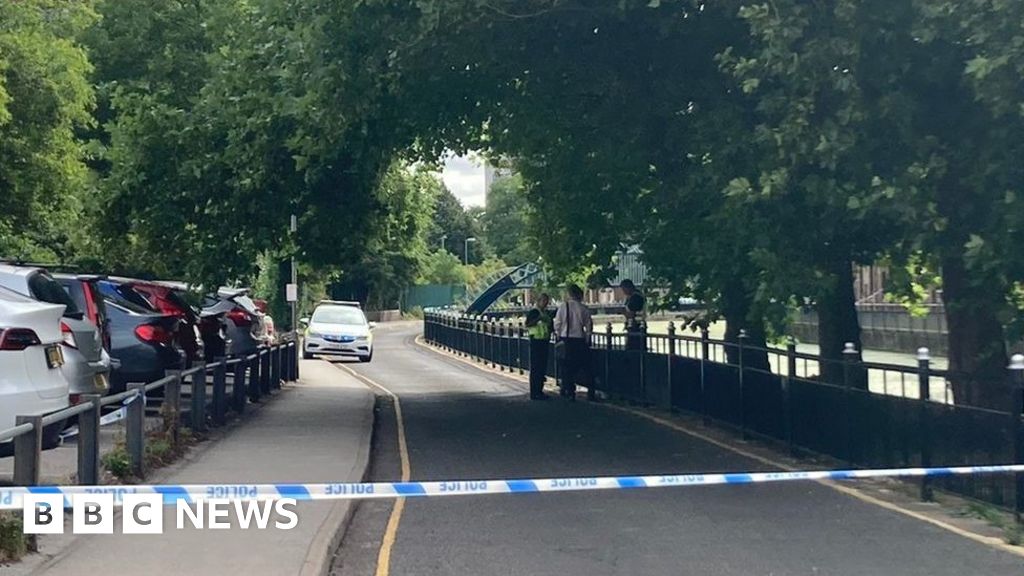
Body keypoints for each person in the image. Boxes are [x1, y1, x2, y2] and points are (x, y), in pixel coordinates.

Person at [554, 284, 593, 400]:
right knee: (583, 365)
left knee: (566, 366)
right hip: (579, 339)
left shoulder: (563, 307)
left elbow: (557, 324)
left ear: (569, 294)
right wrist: (587, 337)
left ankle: (568, 389)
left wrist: (559, 334)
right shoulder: (583, 308)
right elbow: (589, 325)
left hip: (565, 339)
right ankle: (590, 391)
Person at [524, 293, 554, 400]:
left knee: (542, 367)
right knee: (536, 367)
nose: (546, 303)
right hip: (536, 341)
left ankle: (539, 391)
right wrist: (538, 319)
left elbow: (550, 326)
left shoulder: (546, 313)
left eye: (547, 301)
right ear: (539, 301)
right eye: (544, 301)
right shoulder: (534, 312)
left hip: (544, 341)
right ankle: (534, 392)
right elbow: (527, 324)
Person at [620, 278, 646, 351]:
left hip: (637, 326)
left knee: (635, 349)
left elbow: (632, 313)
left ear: (629, 287)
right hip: (634, 325)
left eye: (624, 289)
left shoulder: (636, 297)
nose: (623, 292)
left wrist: (623, 312)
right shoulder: (631, 296)